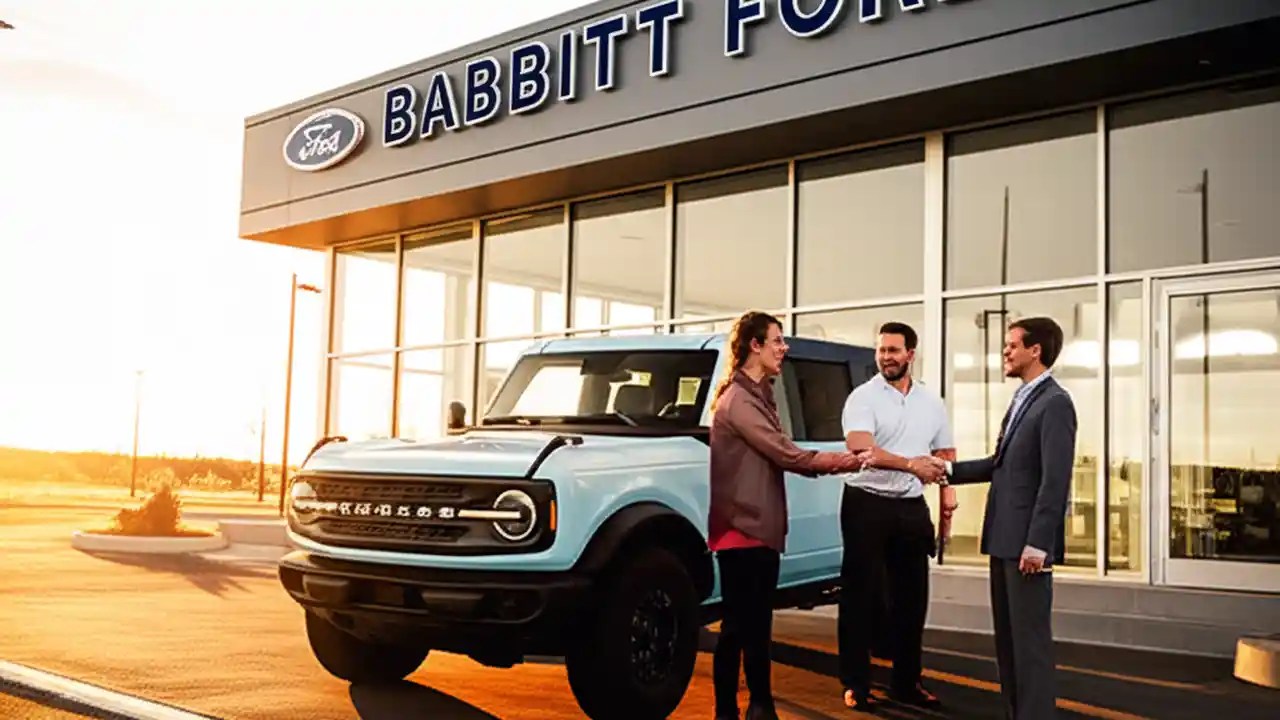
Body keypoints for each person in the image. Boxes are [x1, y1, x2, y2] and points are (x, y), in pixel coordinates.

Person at [708, 310, 865, 720]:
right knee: (739, 628)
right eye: (777, 341)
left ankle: (759, 706)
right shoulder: (739, 400)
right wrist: (847, 461)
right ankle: (731, 711)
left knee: (754, 626)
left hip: (757, 528)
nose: (784, 348)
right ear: (754, 346)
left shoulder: (760, 393)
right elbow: (786, 453)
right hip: (741, 529)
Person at [928, 316, 1078, 720]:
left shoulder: (1055, 403)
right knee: (1008, 645)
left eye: (1012, 345)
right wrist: (946, 471)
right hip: (1003, 538)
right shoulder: (1022, 399)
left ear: (1036, 351)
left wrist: (1039, 543)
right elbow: (1001, 464)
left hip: (1027, 545)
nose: (1005, 352)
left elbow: (1055, 479)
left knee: (1030, 646)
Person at [837, 321, 957, 711]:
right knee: (860, 597)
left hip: (910, 506)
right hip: (865, 503)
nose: (886, 357)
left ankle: (907, 683)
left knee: (911, 599)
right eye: (881, 350)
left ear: (911, 355)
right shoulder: (863, 398)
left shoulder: (931, 401)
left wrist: (948, 498)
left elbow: (945, 453)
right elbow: (861, 449)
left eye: (893, 350)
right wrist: (911, 466)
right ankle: (855, 682)